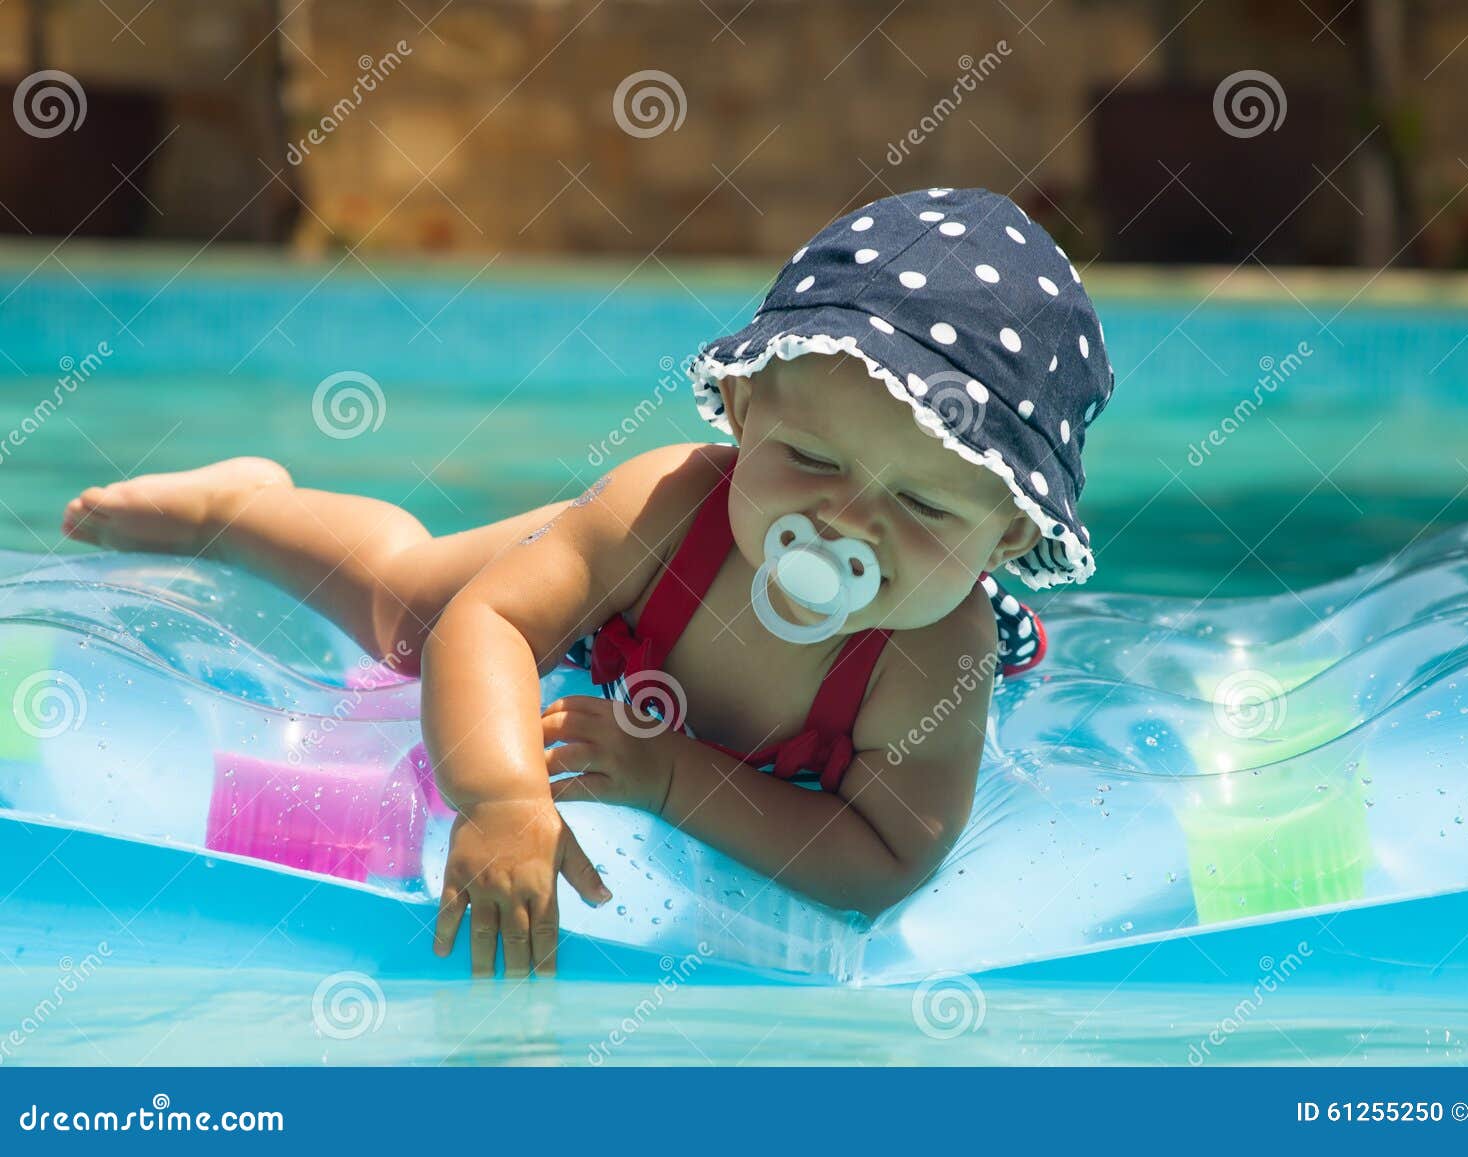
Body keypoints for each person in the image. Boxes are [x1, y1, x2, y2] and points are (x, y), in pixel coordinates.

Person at [60, 187, 1116, 978]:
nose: (847, 523)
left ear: (1007, 537)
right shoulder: (669, 504)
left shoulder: (937, 654)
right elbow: (486, 622)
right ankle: (241, 508)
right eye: (813, 459)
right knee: (407, 610)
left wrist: (675, 781)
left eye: (924, 506)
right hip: (617, 619)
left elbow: (885, 853)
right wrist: (500, 796)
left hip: (676, 723)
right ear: (742, 409)